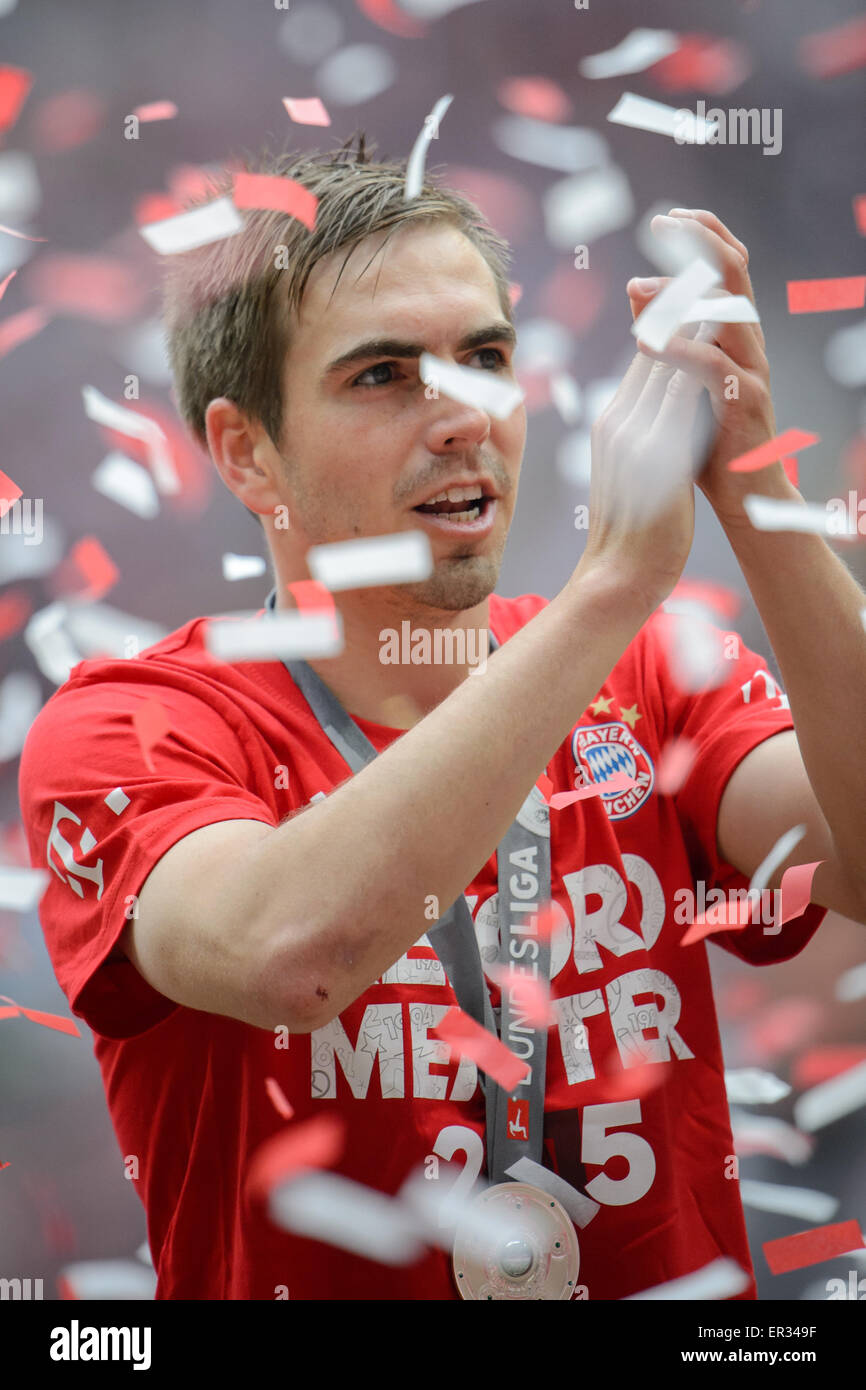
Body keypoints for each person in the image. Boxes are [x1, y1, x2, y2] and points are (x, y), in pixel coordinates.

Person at [18, 132, 866, 1301]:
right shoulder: (131, 725)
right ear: (245, 451)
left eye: (483, 356)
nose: (462, 412)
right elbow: (294, 957)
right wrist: (608, 588)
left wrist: (755, 486)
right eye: (382, 375)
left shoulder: (657, 676)